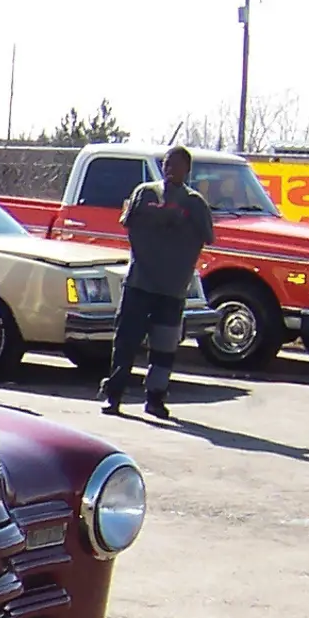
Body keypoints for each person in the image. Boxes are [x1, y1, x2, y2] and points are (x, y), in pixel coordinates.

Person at [101, 146, 213, 420]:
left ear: (188, 169)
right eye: (166, 163)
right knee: (126, 342)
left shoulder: (195, 202)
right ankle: (113, 396)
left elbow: (207, 237)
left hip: (172, 290)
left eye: (176, 164)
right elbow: (129, 224)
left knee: (164, 347)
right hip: (139, 283)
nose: (169, 168)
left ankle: (155, 398)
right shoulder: (145, 193)